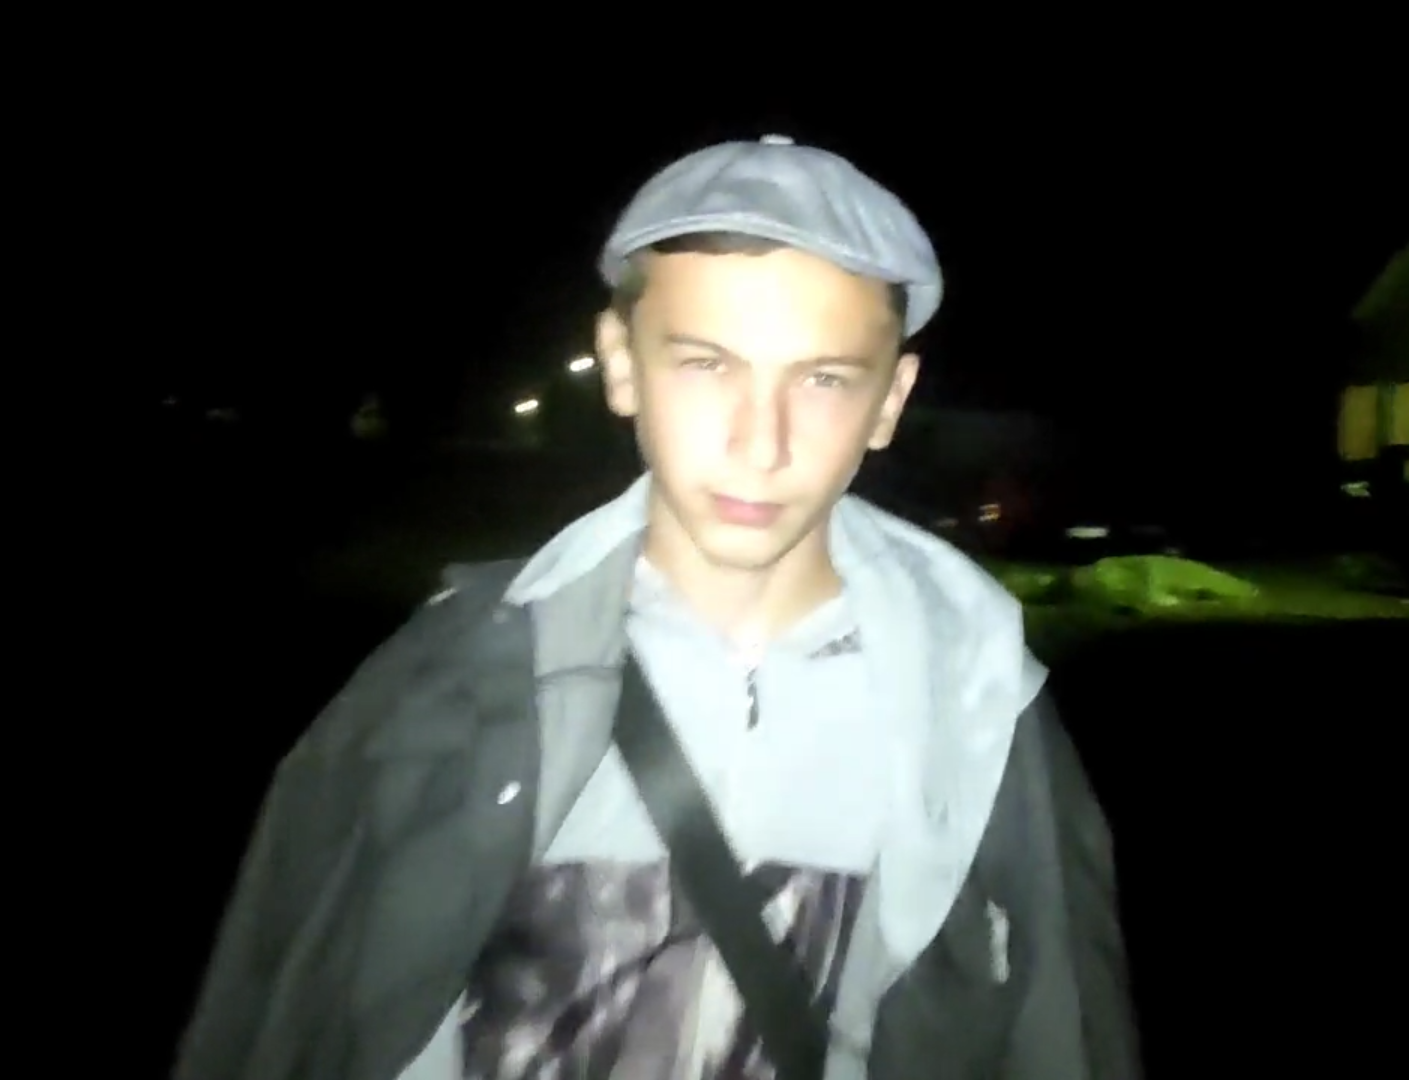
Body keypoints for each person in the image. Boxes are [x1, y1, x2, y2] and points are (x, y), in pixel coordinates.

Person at [176, 136, 1142, 1080]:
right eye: (706, 364)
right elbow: (273, 1013)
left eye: (822, 379)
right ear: (620, 362)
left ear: (891, 399)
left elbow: (1065, 1035)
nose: (760, 444)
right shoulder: (447, 677)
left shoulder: (984, 714)